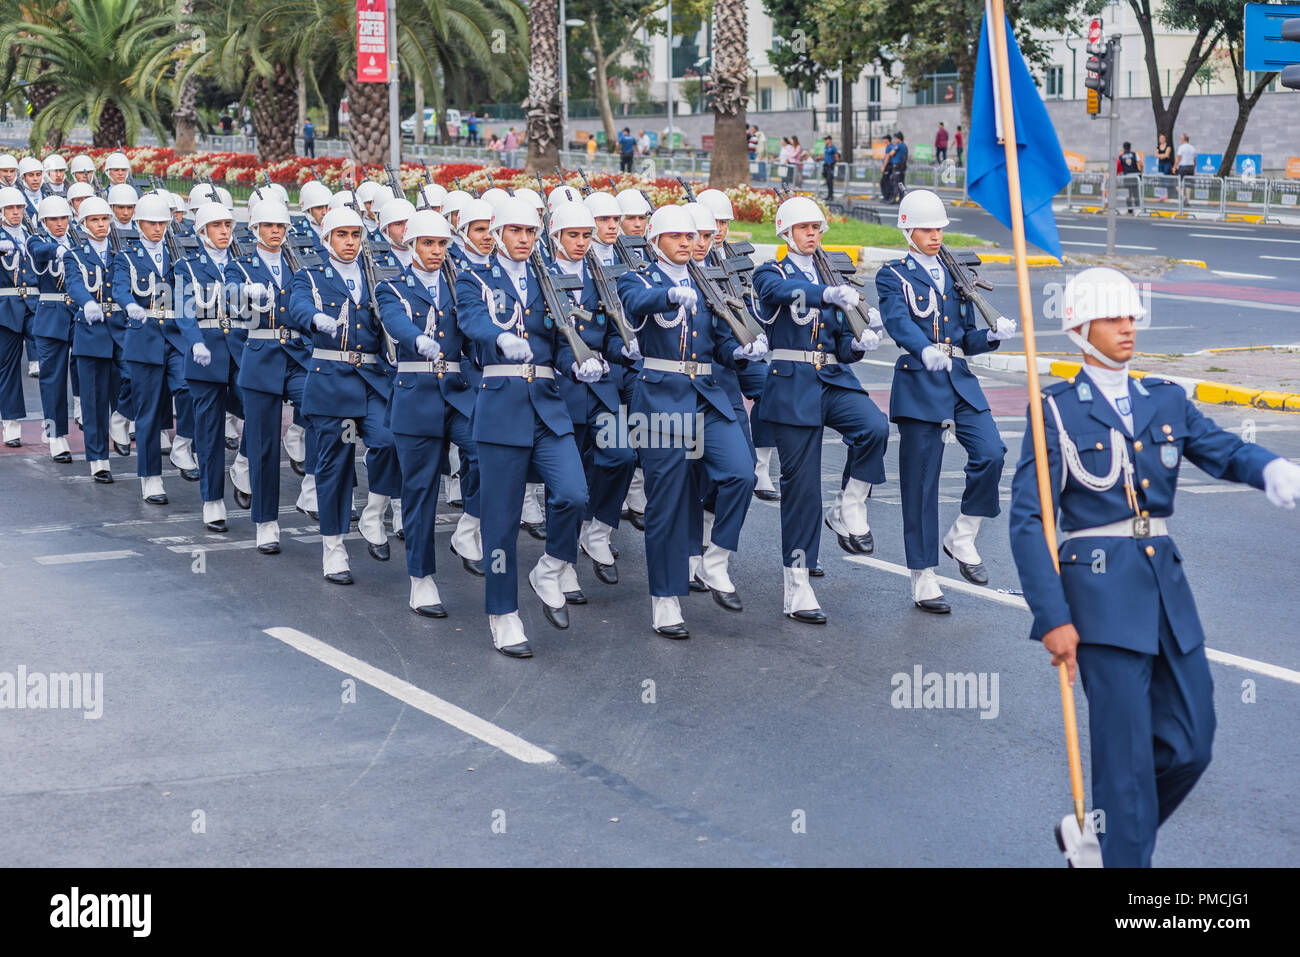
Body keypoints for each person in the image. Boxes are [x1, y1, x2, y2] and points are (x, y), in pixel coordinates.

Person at [1008, 266, 1300, 867]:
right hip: (1099, 599)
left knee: (1192, 745)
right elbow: (1030, 521)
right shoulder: (1055, 411)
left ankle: (1104, 842)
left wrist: (1270, 468)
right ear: (1080, 327)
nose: (1127, 328)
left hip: (1167, 593)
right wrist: (1052, 616)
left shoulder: (1163, 397)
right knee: (1126, 769)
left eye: (1131, 317)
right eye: (1114, 318)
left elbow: (1222, 450)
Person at [616, 205, 766, 639]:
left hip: (706, 394)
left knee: (740, 473)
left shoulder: (707, 280)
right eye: (678, 237)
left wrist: (741, 350)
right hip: (662, 395)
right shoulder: (638, 277)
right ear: (656, 242)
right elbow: (634, 303)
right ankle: (665, 599)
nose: (689, 243)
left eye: (693, 236)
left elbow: (719, 344)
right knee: (668, 499)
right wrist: (668, 295)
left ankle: (716, 557)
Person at [455, 197, 591, 658]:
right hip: (500, 410)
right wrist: (500, 337)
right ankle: (503, 613)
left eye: (531, 232)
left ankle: (550, 567)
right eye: (515, 231)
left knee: (574, 494)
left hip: (549, 406)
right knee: (501, 522)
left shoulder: (547, 279)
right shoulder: (473, 278)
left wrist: (583, 363)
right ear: (496, 233)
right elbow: (471, 320)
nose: (524, 240)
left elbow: (565, 338)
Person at [874, 189, 1016, 613]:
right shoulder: (893, 275)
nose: (935, 235)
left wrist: (990, 336)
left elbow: (965, 337)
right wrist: (922, 349)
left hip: (958, 379)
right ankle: (923, 575)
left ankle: (963, 534)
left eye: (939, 228)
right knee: (921, 484)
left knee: (991, 452)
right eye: (927, 228)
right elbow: (898, 321)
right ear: (907, 229)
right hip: (919, 380)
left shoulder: (957, 272)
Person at [752, 196, 890, 624]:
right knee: (802, 487)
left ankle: (848, 504)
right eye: (804, 228)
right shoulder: (770, 271)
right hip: (792, 385)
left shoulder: (833, 270)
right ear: (786, 233)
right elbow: (777, 294)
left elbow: (839, 344)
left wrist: (858, 344)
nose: (813, 234)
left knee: (875, 428)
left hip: (832, 379)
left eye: (817, 228)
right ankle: (797, 582)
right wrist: (826, 293)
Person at [288, 206, 402, 584]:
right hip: (331, 379)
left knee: (387, 442)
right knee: (334, 466)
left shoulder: (376, 276)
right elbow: (297, 304)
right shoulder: (310, 275)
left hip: (370, 376)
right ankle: (333, 547)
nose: (350, 242)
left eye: (355, 235)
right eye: (342, 235)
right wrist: (313, 319)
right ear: (326, 239)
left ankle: (373, 512)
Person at [375, 209, 480, 617]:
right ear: (411, 245)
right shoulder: (392, 287)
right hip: (416, 394)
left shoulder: (460, 286)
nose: (436, 251)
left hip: (456, 393)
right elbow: (395, 321)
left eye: (441, 244)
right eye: (428, 244)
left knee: (488, 453)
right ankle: (422, 579)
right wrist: (418, 339)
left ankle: (468, 530)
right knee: (420, 492)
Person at [227, 199, 315, 554]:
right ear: (255, 230)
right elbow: (228, 294)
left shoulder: (298, 265)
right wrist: (243, 294)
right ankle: (266, 522)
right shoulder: (241, 266)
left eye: (280, 227)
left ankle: (312, 487)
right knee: (263, 445)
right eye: (269, 226)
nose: (276, 231)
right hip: (262, 357)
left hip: (295, 355)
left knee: (320, 406)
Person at [115, 194, 198, 505]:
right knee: (148, 413)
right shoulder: (127, 257)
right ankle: (151, 478)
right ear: (139, 224)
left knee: (189, 390)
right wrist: (129, 306)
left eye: (163, 223)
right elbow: (121, 288)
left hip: (176, 335)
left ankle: (181, 446)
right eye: (152, 223)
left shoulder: (178, 256)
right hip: (144, 337)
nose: (158, 228)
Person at [173, 200, 247, 533]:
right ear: (202, 232)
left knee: (260, 414)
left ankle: (242, 467)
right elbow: (183, 309)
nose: (224, 232)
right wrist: (195, 341)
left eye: (228, 226)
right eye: (217, 227)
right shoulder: (187, 267)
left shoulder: (243, 263)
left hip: (242, 352)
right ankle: (213, 501)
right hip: (205, 353)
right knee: (210, 430)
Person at [61, 197, 122, 482]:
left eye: (105, 219)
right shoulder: (74, 254)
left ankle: (122, 424)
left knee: (133, 388)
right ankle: (98, 458)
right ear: (84, 224)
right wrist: (86, 302)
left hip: (123, 331)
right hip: (91, 332)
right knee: (95, 400)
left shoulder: (123, 250)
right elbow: (74, 284)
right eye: (95, 220)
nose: (102, 225)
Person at [26, 195, 78, 464]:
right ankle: (56, 436)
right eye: (54, 220)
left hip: (79, 315)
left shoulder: (78, 239)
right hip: (51, 316)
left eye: (63, 218)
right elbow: (38, 253)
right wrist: (59, 250)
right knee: (52, 380)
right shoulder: (36, 240)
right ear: (44, 222)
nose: (60, 224)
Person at [1116, 141, 1143, 214]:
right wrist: (1141, 171)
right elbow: (1141, 163)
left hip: (1127, 177)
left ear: (1124, 148)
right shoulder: (1134, 154)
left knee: (1128, 194)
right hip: (1135, 176)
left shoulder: (1121, 156)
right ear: (1130, 148)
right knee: (1136, 193)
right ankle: (1138, 208)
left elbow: (1118, 166)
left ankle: (1130, 209)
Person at [882, 132, 908, 203]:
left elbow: (891, 153)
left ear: (898, 138)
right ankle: (902, 198)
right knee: (901, 184)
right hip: (902, 167)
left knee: (894, 183)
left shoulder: (898, 145)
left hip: (897, 166)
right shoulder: (905, 146)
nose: (895, 139)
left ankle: (893, 198)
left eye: (896, 138)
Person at [1175, 133, 1196, 203]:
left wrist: (1174, 166)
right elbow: (1195, 159)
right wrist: (1194, 168)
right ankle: (1188, 200)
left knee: (1177, 184)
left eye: (1181, 139)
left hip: (1183, 167)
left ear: (1183, 139)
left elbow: (1178, 158)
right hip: (1191, 167)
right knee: (1189, 184)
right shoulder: (1192, 147)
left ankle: (1183, 197)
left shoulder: (1181, 147)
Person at [822, 135, 840, 201]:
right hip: (826, 165)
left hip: (830, 166)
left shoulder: (833, 148)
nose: (825, 141)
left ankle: (831, 196)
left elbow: (836, 157)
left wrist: (834, 163)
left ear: (829, 140)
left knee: (830, 181)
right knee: (827, 181)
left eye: (826, 139)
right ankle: (829, 195)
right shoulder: (826, 147)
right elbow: (825, 156)